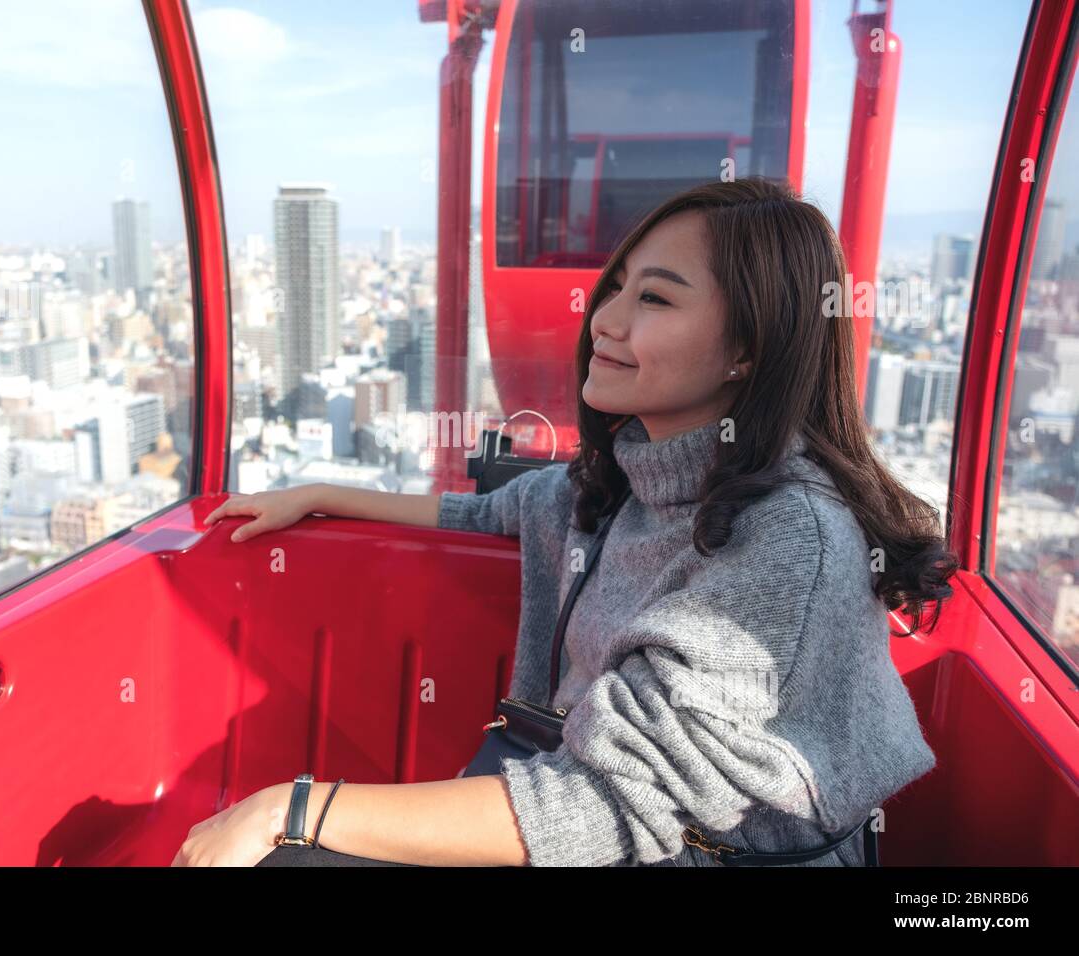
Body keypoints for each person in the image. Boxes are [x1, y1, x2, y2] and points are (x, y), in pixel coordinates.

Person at [170, 176, 956, 867]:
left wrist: (289, 807)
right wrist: (320, 494)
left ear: (748, 348)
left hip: (693, 850)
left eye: (653, 297)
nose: (603, 319)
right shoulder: (630, 478)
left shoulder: (790, 537)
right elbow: (496, 508)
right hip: (589, 807)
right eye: (613, 288)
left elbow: (606, 806)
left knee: (289, 855)